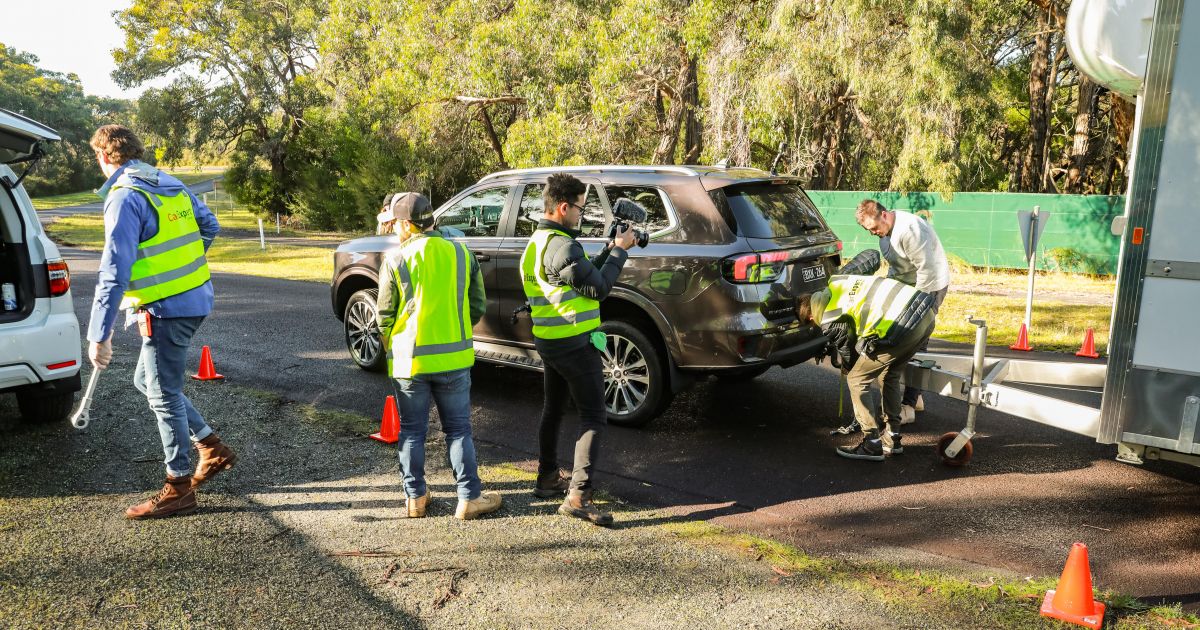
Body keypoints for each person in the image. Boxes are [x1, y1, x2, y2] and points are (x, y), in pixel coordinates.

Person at [86, 124, 233, 519]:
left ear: (103, 156)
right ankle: (211, 446)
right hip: (195, 299)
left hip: (166, 310)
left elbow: (114, 272)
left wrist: (99, 334)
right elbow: (209, 226)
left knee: (163, 393)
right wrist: (181, 272)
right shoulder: (170, 184)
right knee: (147, 381)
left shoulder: (125, 196)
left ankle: (178, 487)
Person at [375, 192, 501, 520]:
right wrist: (454, 327)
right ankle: (469, 498)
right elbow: (477, 305)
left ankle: (415, 498)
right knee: (458, 430)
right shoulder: (461, 253)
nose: (394, 229)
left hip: (409, 361)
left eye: (395, 223)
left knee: (412, 431)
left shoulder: (396, 259)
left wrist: (392, 346)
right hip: (454, 359)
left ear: (407, 224)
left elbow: (383, 316)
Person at [520, 173, 636, 526]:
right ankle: (578, 496)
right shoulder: (562, 246)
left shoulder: (539, 241)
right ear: (563, 207)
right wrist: (620, 251)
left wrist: (607, 251)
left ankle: (547, 477)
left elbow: (581, 280)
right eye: (580, 209)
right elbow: (599, 289)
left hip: (549, 340)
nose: (582, 215)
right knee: (594, 417)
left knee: (554, 409)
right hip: (574, 343)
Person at [797, 274, 937, 461]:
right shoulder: (837, 283)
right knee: (889, 375)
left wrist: (849, 366)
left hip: (902, 325)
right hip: (924, 313)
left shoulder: (829, 316)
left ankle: (872, 443)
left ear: (811, 316)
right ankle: (892, 439)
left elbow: (848, 353)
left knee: (856, 379)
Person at [855, 200, 949, 424]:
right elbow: (896, 269)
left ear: (884, 215)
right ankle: (915, 397)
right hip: (908, 286)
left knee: (916, 340)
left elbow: (927, 271)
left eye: (874, 228)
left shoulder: (910, 231)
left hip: (929, 287)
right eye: (868, 230)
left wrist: (916, 309)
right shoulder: (884, 234)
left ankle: (909, 404)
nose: (873, 233)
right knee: (903, 338)